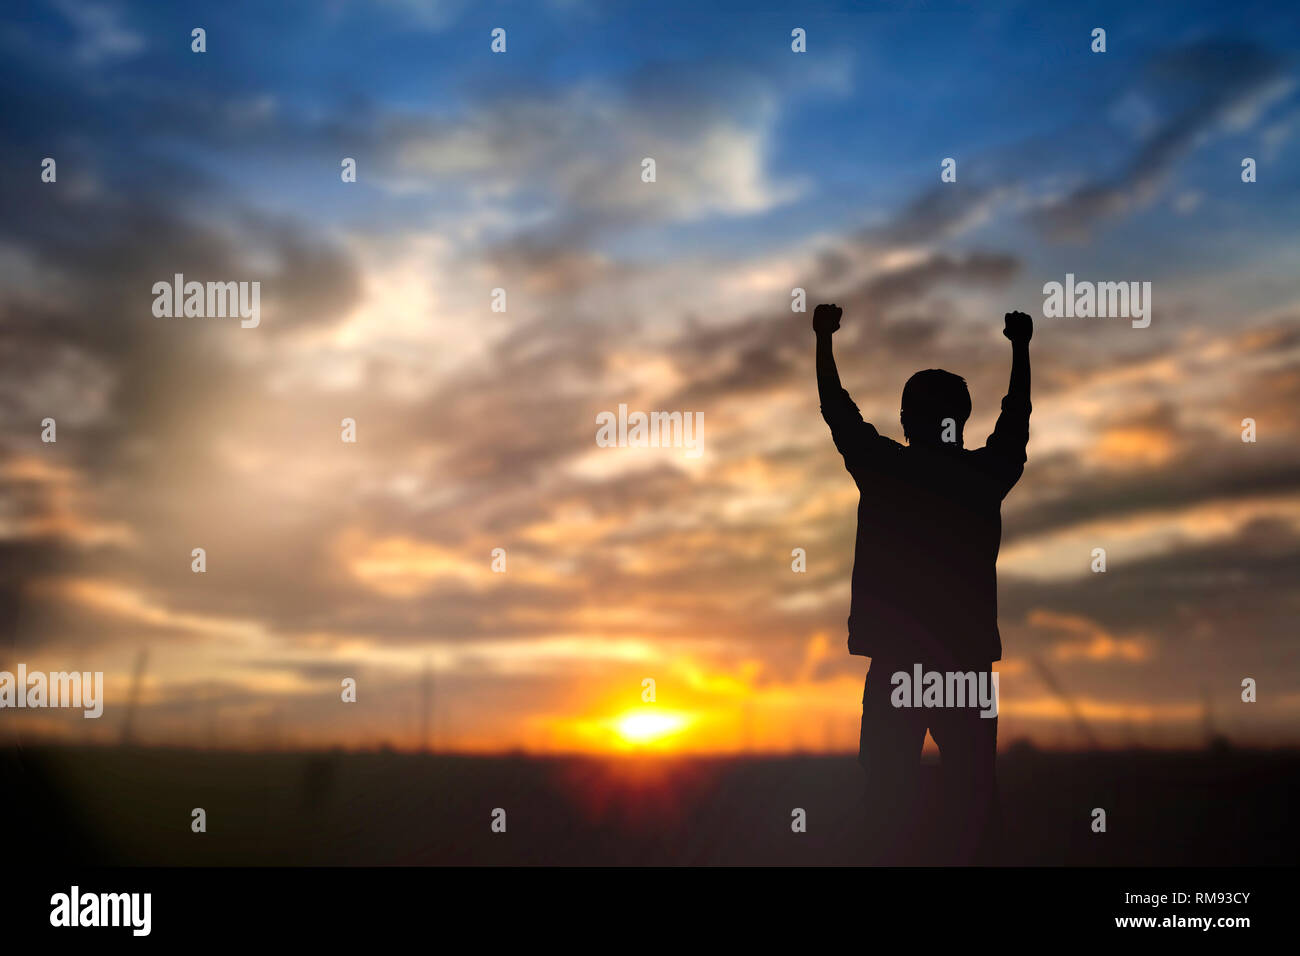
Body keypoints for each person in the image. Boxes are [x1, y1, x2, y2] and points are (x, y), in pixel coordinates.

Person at [813, 303, 1033, 863]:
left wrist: (824, 339)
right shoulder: (985, 476)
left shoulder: (886, 470)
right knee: (976, 795)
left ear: (907, 420)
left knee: (886, 794)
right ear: (960, 420)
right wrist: (1020, 346)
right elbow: (1017, 417)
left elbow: (837, 411)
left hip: (898, 662)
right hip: (965, 664)